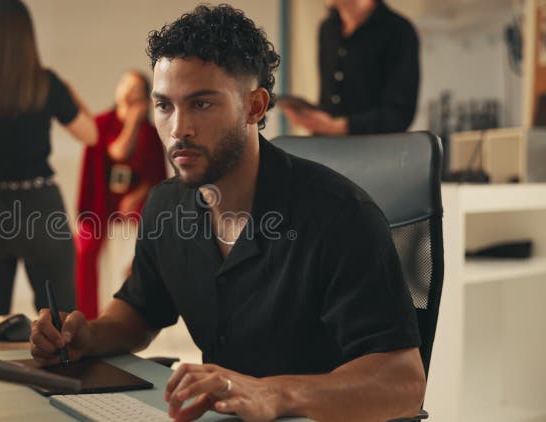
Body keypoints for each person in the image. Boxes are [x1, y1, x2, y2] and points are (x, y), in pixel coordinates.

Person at [30, 5, 425, 422]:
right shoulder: (166, 205)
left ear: (254, 107)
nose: (179, 128)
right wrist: (87, 336)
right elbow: (140, 313)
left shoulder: (340, 216)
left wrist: (275, 392)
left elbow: (402, 383)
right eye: (164, 106)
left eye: (201, 104)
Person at [0, 0, 97, 316]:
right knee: (59, 320)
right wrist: (69, 93)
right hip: (39, 207)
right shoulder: (45, 83)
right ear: (27, 36)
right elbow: (90, 135)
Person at [75, 71, 167, 319]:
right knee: (85, 248)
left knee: (141, 248)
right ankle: (88, 315)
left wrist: (137, 195)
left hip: (133, 203)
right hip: (102, 201)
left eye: (135, 87)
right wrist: (131, 124)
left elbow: (155, 176)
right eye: (124, 84)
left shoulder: (149, 131)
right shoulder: (101, 123)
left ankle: (129, 311)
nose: (128, 91)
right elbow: (117, 151)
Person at [282, 0, 419, 135]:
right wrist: (311, 117)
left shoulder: (398, 30)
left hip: (376, 151)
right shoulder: (328, 28)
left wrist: (339, 127)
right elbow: (330, 101)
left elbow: (399, 115)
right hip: (327, 149)